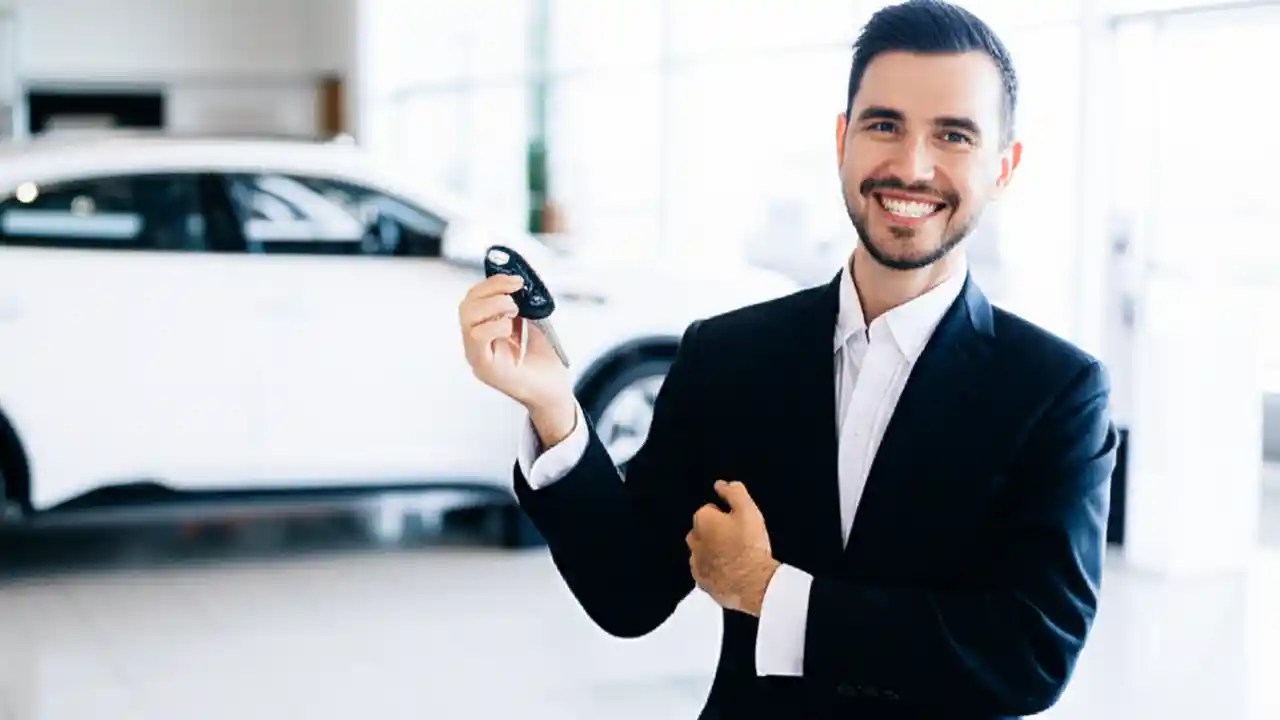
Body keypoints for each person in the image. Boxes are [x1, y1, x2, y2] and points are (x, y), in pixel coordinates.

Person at [458, 1, 1118, 717]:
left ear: (1004, 165)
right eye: (884, 124)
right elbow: (628, 592)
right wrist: (554, 409)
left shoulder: (1056, 392)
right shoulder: (729, 356)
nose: (911, 165)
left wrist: (770, 593)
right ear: (842, 139)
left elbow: (1027, 655)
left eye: (954, 135)